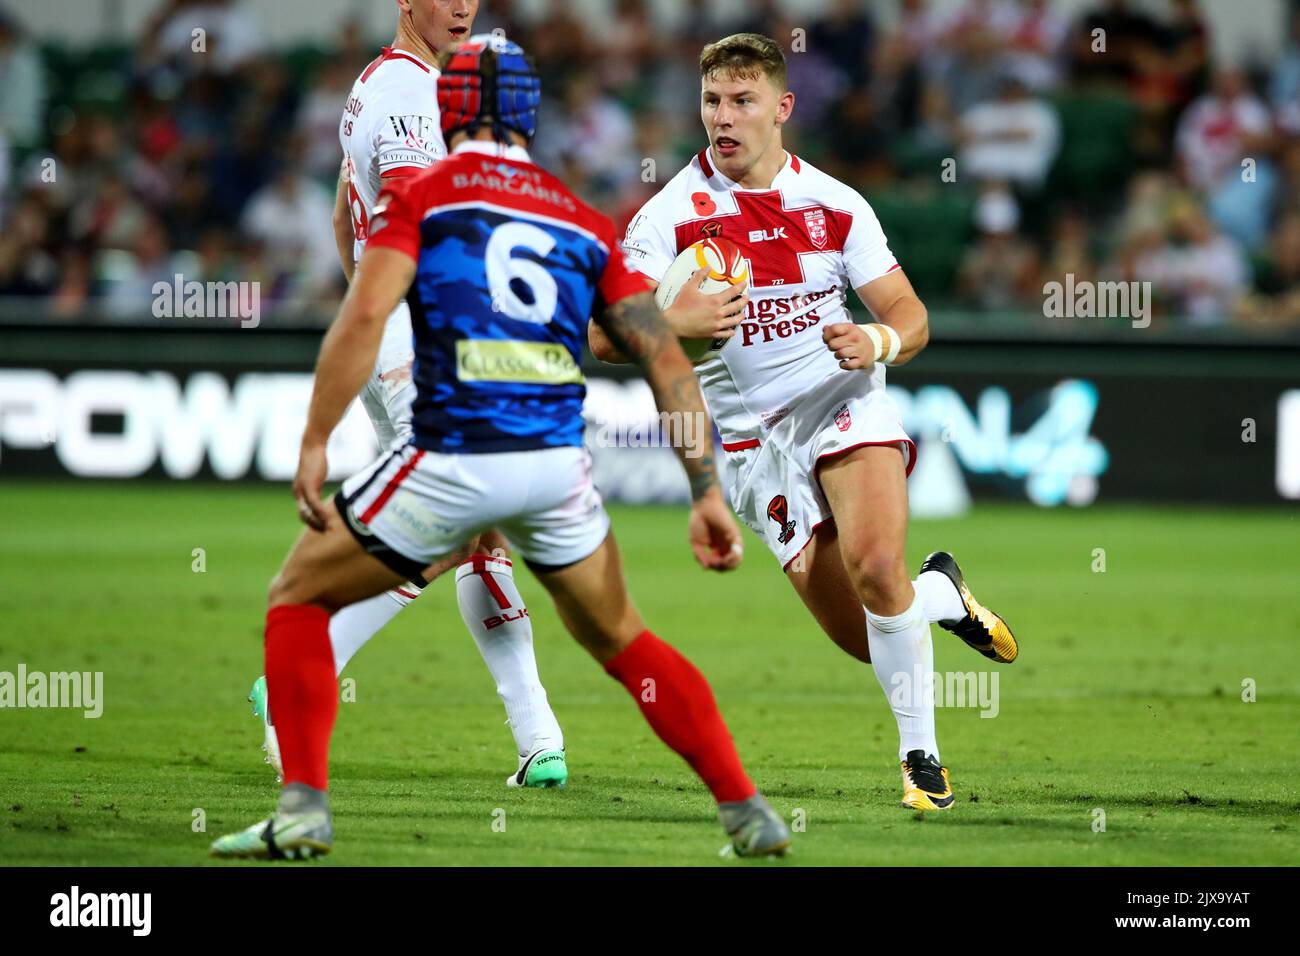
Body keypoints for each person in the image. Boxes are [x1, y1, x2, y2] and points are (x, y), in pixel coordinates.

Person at [211, 35, 790, 860]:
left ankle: (303, 806)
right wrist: (704, 490)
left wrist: (313, 439)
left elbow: (365, 315)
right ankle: (745, 809)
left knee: (297, 598)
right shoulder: (580, 216)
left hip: (453, 454)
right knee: (628, 641)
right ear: (530, 113)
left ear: (449, 110)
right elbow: (665, 356)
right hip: (556, 470)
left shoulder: (426, 196)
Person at [590, 33, 1020, 811]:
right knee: (867, 635)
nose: (723, 117)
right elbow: (598, 336)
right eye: (712, 101)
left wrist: (875, 340)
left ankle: (921, 759)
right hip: (758, 447)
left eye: (741, 102)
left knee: (878, 569)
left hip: (842, 399)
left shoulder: (836, 204)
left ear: (781, 108)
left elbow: (911, 317)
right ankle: (945, 597)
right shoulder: (667, 216)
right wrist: (670, 318)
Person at [247, 0, 570, 792]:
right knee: (455, 518)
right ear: (404, 2)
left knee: (477, 530)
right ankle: (306, 664)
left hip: (400, 330)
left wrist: (367, 301)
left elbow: (342, 217)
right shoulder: (408, 95)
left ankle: (539, 740)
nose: (462, 6)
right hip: (426, 335)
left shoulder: (379, 86)